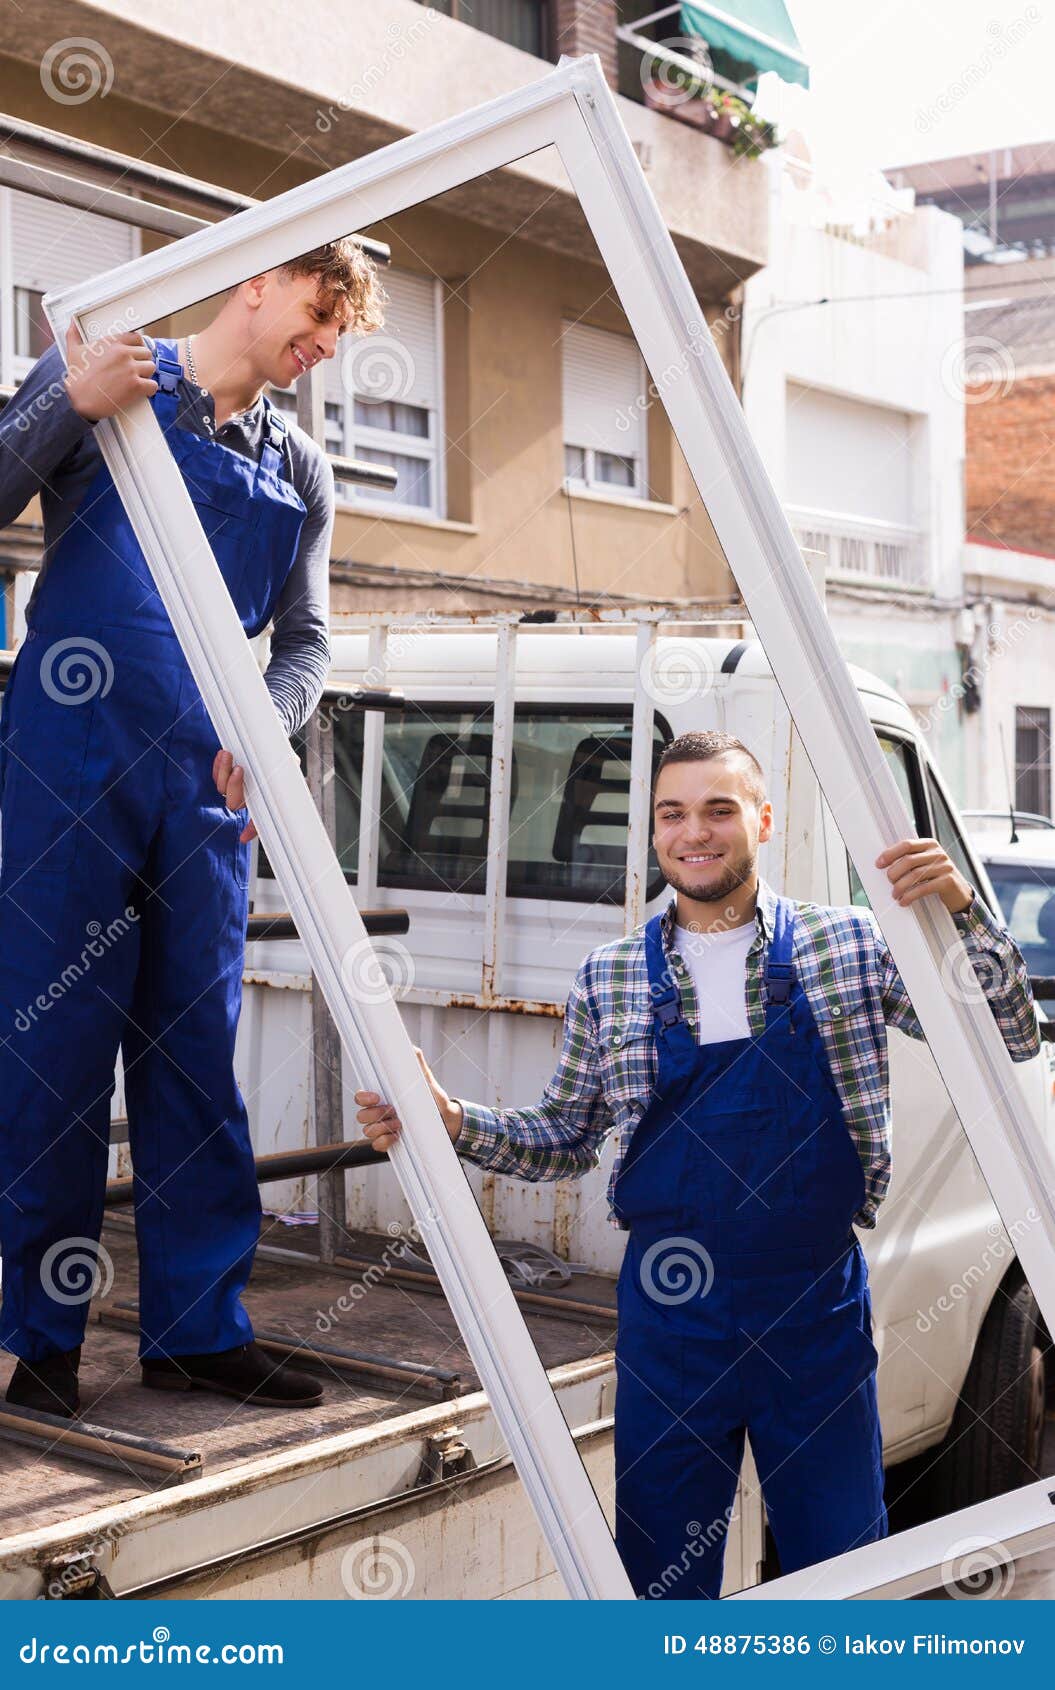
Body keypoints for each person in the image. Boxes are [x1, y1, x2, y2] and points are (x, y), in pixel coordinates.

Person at [354, 730, 1041, 1597]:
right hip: (673, 1317)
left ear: (759, 818)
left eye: (719, 810)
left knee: (847, 1568)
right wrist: (451, 1122)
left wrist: (959, 917)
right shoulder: (608, 979)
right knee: (660, 1580)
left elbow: (1010, 1035)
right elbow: (565, 1137)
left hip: (812, 1309)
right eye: (673, 814)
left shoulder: (852, 947)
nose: (695, 832)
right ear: (652, 834)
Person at [0, 240, 386, 1419]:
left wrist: (267, 723)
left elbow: (309, 643)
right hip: (70, 762)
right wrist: (70, 403)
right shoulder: (103, 367)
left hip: (209, 791)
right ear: (257, 281)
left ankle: (194, 1329)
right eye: (318, 314)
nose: (321, 346)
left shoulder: (301, 467)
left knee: (192, 1057)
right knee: (49, 1049)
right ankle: (33, 1341)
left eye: (336, 336)